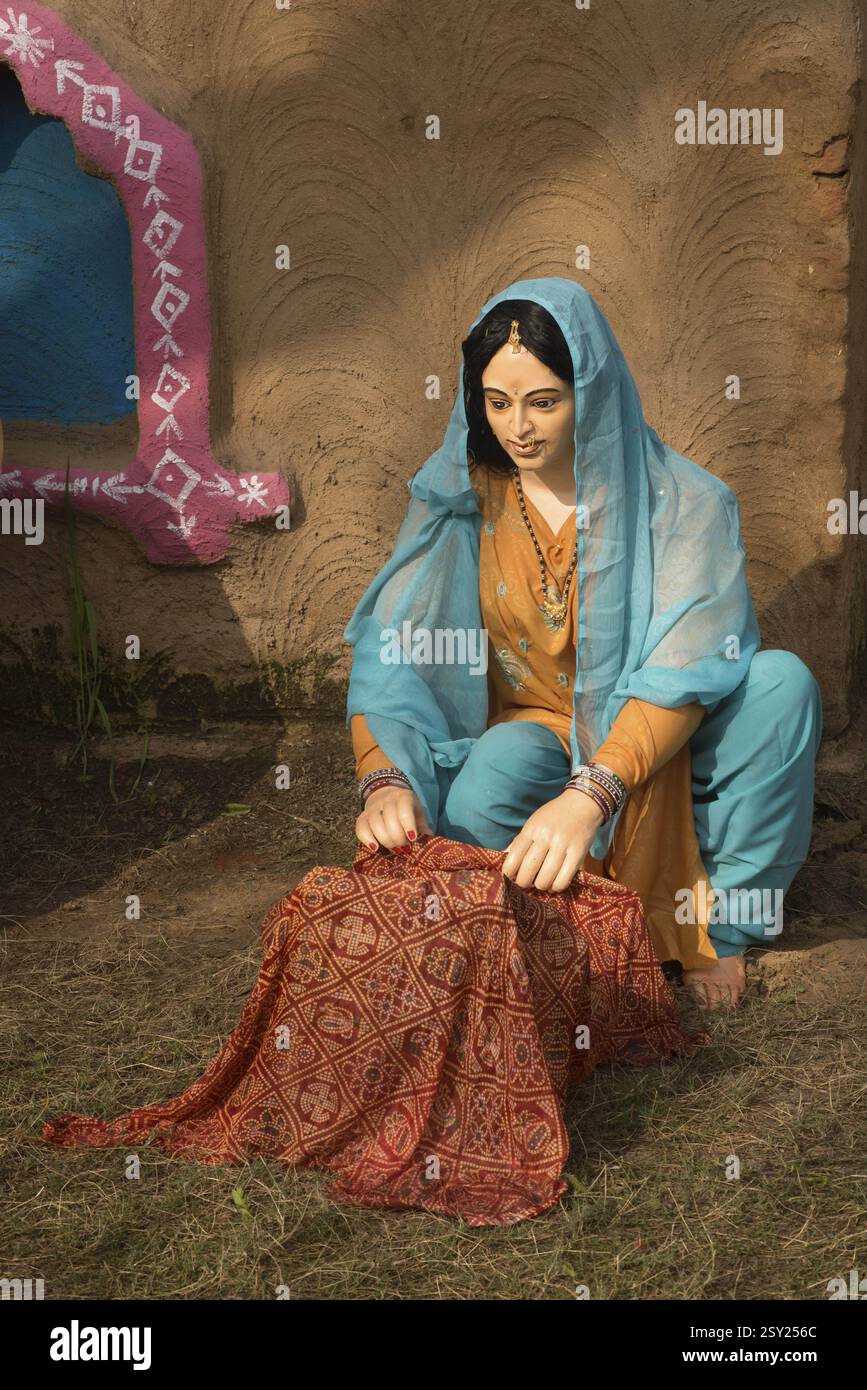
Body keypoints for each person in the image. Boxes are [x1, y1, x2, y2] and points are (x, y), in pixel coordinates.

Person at [344, 277, 823, 1010]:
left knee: (779, 685)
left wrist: (588, 796)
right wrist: (383, 776)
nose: (519, 428)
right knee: (486, 782)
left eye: (543, 401)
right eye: (496, 402)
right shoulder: (466, 494)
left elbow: (680, 675)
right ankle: (549, 924)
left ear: (591, 393)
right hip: (537, 724)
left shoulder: (686, 503)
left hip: (669, 736)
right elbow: (398, 651)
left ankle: (717, 924)